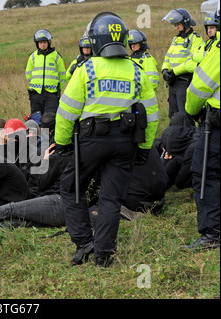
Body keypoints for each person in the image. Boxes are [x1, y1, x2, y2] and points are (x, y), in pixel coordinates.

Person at [54, 12, 159, 267]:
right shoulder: (137, 70)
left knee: (71, 188)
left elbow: (67, 112)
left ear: (96, 40)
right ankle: (103, 255)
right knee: (111, 199)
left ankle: (83, 241)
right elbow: (152, 115)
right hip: (124, 143)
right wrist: (144, 148)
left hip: (91, 142)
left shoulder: (86, 69)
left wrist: (63, 143)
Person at [182, 11, 220, 250]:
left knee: (206, 171)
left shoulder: (217, 51)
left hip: (217, 127)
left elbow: (199, 87)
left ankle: (212, 232)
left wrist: (192, 111)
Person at [162, 8, 203, 120]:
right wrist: (165, 70)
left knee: (184, 116)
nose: (176, 27)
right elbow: (168, 57)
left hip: (184, 82)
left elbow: (192, 62)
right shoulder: (176, 39)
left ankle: (187, 137)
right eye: (175, 24)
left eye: (178, 23)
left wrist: (174, 72)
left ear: (185, 22)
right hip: (172, 82)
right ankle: (175, 136)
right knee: (173, 116)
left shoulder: (195, 38)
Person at [25, 29, 66, 115]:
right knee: (36, 118)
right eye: (40, 42)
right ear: (37, 44)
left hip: (52, 95)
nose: (42, 44)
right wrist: (36, 84)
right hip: (36, 94)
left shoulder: (56, 56)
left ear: (48, 42)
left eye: (44, 42)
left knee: (50, 119)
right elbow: (28, 74)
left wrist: (57, 88)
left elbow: (62, 76)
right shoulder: (33, 56)